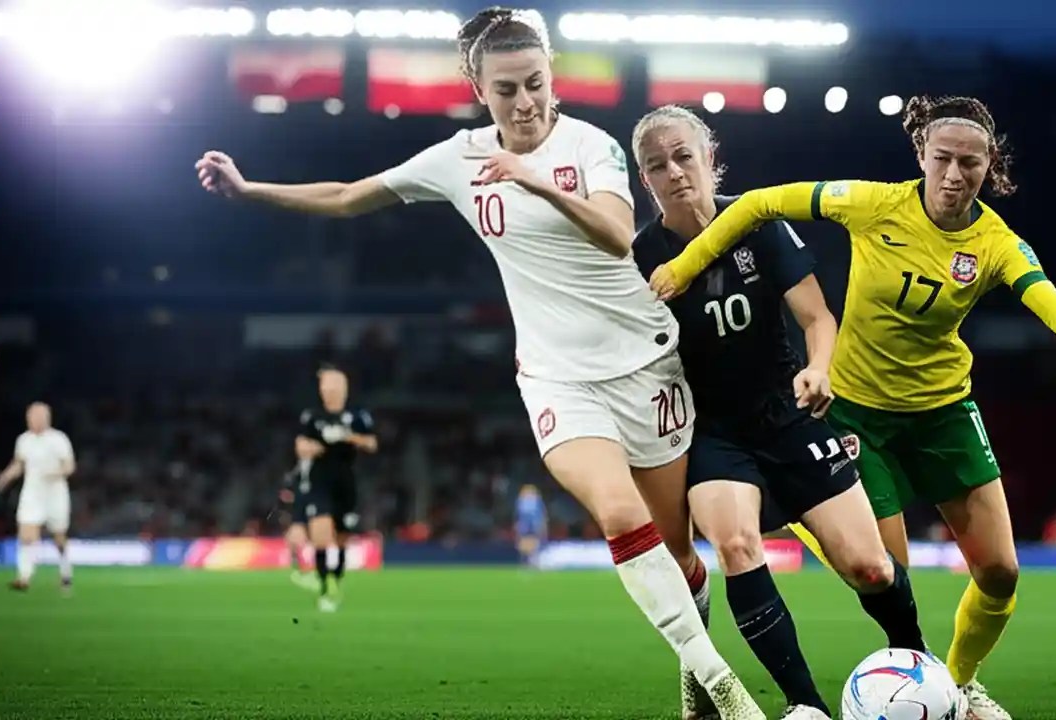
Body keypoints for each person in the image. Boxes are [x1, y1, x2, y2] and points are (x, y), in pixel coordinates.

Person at [195, 8, 760, 717]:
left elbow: (619, 235)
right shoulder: (456, 159)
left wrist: (530, 177)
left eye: (535, 84)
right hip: (557, 378)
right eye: (506, 90)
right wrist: (251, 192)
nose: (525, 102)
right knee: (618, 516)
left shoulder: (590, 147)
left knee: (678, 557)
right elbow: (346, 197)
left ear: (552, 77)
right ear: (478, 88)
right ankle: (722, 689)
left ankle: (694, 663)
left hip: (646, 366)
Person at [649, 95, 1056, 720]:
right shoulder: (870, 202)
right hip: (860, 416)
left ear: (988, 163)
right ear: (920, 154)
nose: (953, 174)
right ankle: (873, 689)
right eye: (941, 158)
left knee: (1000, 573)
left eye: (969, 163)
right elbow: (756, 203)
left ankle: (958, 685)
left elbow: (1040, 290)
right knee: (882, 571)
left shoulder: (995, 241)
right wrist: (687, 264)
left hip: (944, 412)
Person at [632, 105, 928, 720]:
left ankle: (920, 668)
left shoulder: (757, 222)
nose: (675, 172)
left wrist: (819, 369)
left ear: (711, 156)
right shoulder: (641, 258)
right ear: (645, 180)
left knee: (871, 567)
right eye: (657, 165)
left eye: (684, 156)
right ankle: (806, 706)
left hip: (788, 417)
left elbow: (818, 318)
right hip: (711, 433)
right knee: (737, 544)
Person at [295, 366, 378, 611]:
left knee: (342, 536)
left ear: (343, 388)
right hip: (320, 481)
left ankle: (336, 579)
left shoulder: (358, 415)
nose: (328, 390)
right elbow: (300, 442)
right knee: (321, 535)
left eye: (333, 385)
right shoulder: (312, 415)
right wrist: (309, 448)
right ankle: (325, 585)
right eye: (325, 386)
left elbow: (372, 443)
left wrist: (347, 436)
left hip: (346, 482)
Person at [0, 402, 77, 594]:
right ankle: (24, 577)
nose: (33, 420)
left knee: (59, 537)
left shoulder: (58, 439)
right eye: (31, 417)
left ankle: (65, 572)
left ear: (46, 418)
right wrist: (5, 477)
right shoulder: (24, 440)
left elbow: (70, 466)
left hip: (55, 494)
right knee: (26, 534)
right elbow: (19, 464)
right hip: (32, 492)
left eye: (38, 416)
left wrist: (55, 473)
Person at [279, 463, 319, 591]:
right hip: (303, 515)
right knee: (294, 540)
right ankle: (301, 567)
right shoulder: (298, 479)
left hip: (309, 514)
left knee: (299, 540)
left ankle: (308, 570)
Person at [514, 483, 547, 566]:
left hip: (533, 525)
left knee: (533, 542)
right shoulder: (521, 501)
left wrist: (542, 525)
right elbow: (518, 515)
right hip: (526, 525)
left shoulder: (536, 501)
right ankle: (527, 561)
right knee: (525, 543)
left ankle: (532, 560)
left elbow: (541, 514)